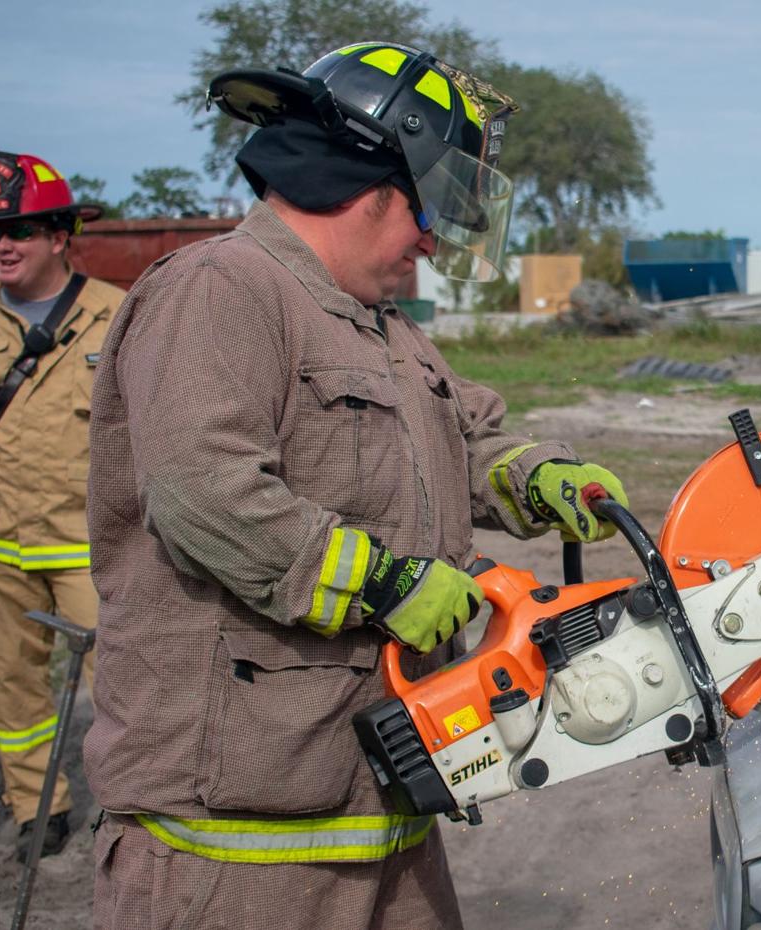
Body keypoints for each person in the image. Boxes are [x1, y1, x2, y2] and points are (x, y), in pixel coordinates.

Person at [83, 42, 629, 928]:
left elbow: (465, 439)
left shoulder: (380, 326)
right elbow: (201, 489)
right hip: (237, 848)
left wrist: (538, 476)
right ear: (363, 180)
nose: (432, 240)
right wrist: (385, 583)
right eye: (427, 208)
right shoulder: (220, 289)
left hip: (388, 816)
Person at [0, 150, 122, 859]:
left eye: (19, 229)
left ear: (58, 236)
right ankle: (35, 809)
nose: (5, 245)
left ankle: (129, 803)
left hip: (90, 549)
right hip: (1, 549)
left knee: (123, 690)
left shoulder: (117, 316)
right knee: (12, 691)